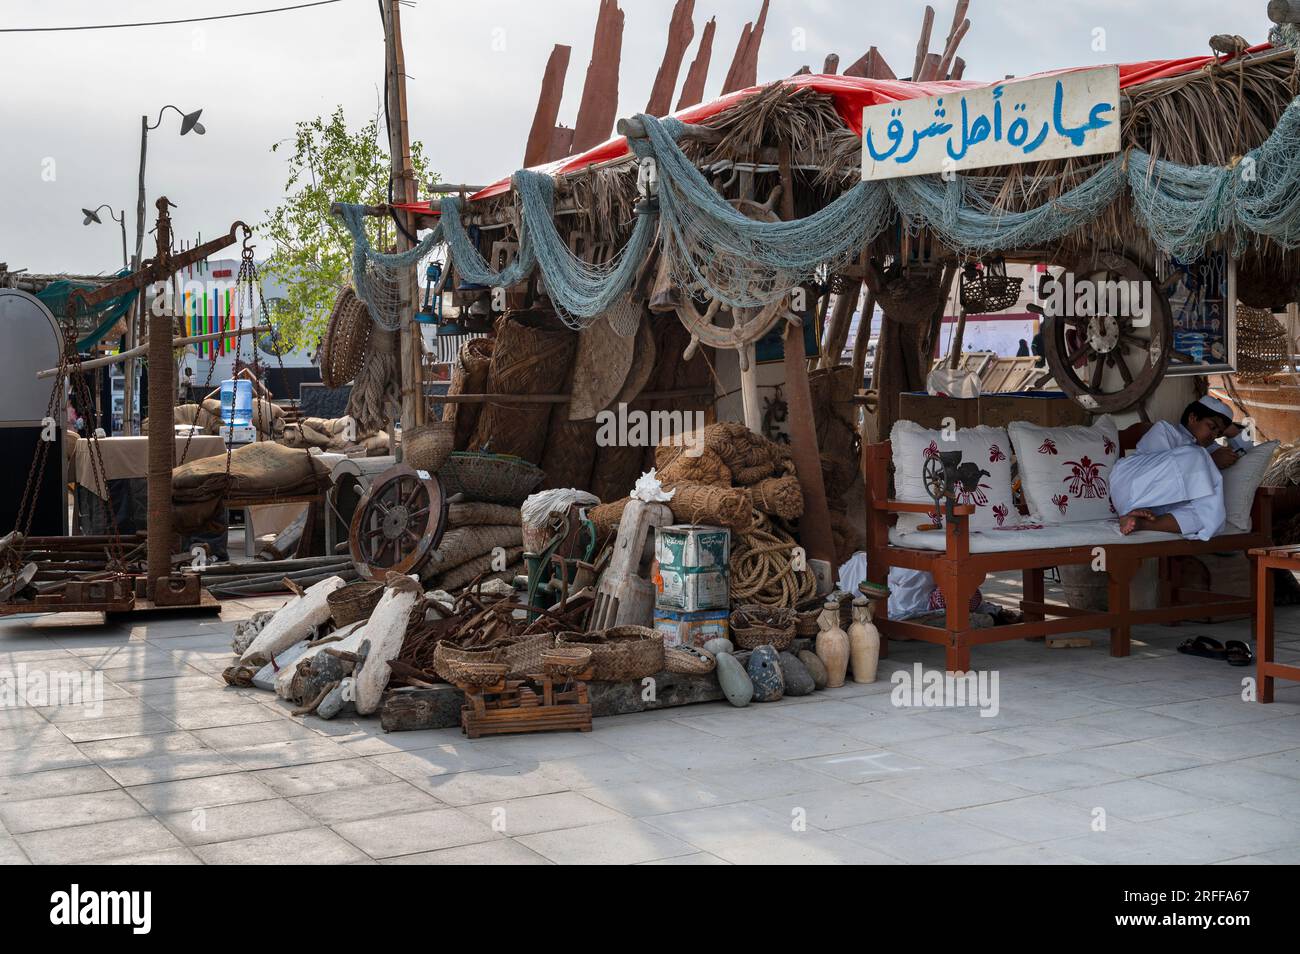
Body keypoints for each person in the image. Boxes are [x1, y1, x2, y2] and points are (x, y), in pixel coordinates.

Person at [1111, 396, 1240, 540]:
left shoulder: (1207, 449)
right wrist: (1210, 460)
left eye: (1219, 433)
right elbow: (1156, 473)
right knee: (1196, 455)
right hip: (1130, 486)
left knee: (1209, 515)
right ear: (1192, 418)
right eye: (1212, 427)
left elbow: (1244, 448)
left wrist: (1234, 436)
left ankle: (1141, 523)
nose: (1214, 435)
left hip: (1158, 506)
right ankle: (1134, 510)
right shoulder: (1165, 430)